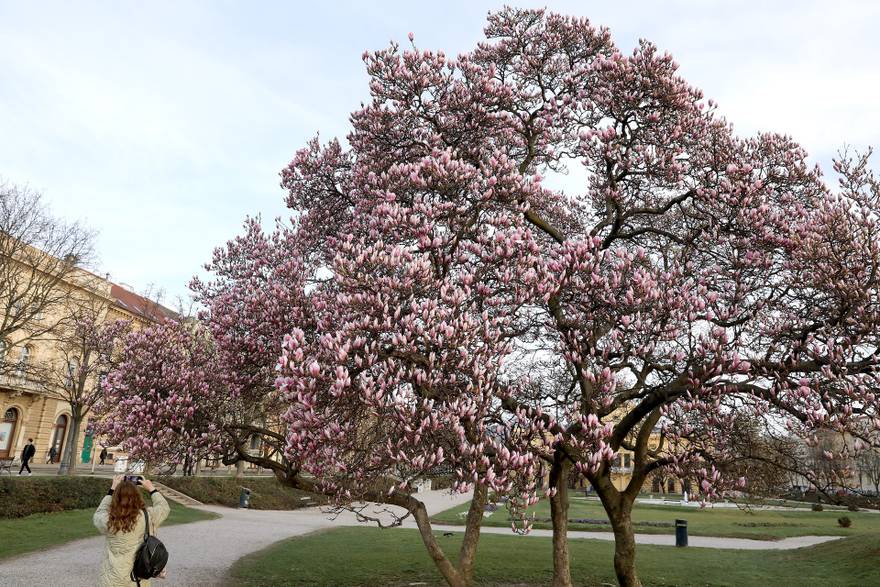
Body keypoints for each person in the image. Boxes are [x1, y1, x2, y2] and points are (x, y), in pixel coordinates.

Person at [93, 475, 169, 587]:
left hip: (112, 578)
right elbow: (163, 508)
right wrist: (151, 489)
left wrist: (112, 489)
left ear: (116, 497)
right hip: (137, 577)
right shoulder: (147, 516)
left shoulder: (109, 519)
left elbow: (100, 512)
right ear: (137, 496)